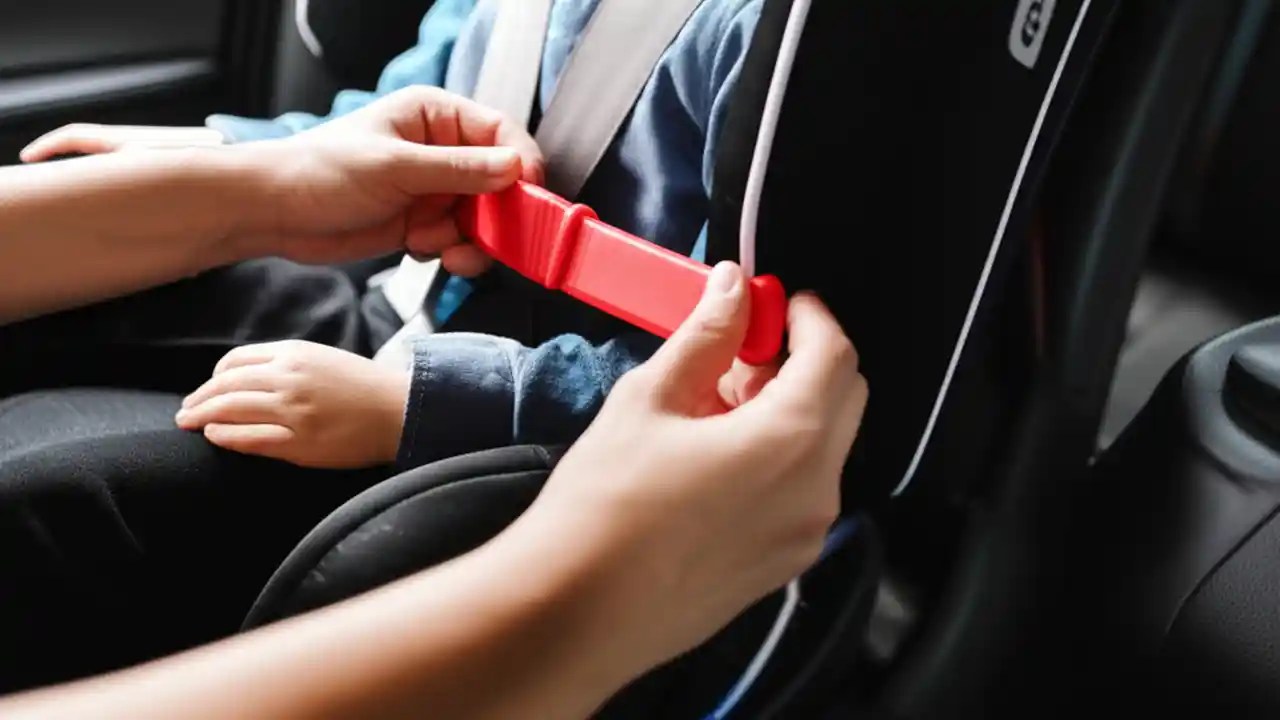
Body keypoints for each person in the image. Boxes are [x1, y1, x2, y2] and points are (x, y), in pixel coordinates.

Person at [0, 85, 870, 714]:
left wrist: (252, 160)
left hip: (510, 395)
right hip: (421, 326)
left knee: (49, 488)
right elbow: (448, 68)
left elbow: (737, 373)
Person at [15, 0, 765, 472]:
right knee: (80, 308)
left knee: (54, 487)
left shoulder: (759, 37)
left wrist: (406, 402)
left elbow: (721, 376)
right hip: (403, 313)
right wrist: (221, 154)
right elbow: (394, 118)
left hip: (542, 432)